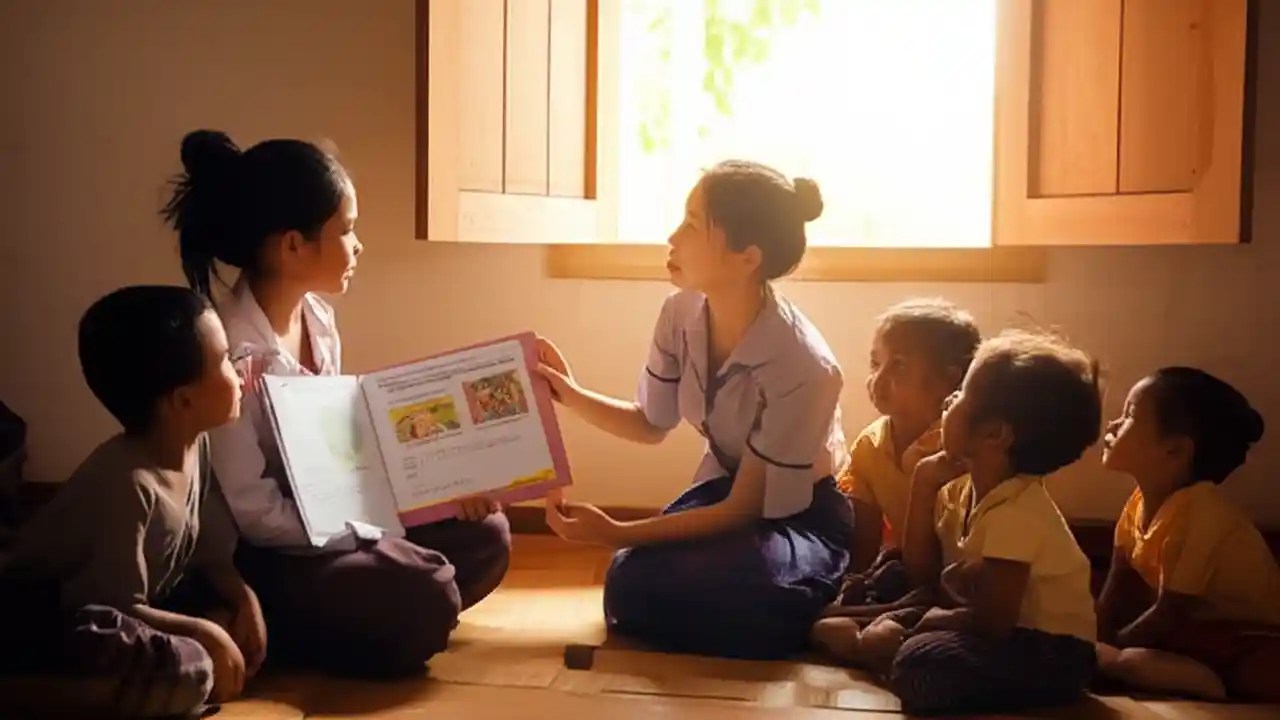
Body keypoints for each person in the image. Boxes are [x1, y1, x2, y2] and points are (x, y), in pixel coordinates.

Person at [161, 129, 510, 676]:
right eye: (346, 230)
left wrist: (431, 490)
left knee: (487, 535)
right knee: (425, 590)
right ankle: (280, 620)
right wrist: (373, 532)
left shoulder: (319, 320)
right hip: (268, 550)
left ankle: (376, 607)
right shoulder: (227, 353)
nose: (358, 246)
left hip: (335, 517)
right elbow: (256, 514)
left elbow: (341, 453)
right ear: (294, 245)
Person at [537, 160, 852, 660]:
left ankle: (819, 599)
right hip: (722, 492)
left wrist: (617, 531)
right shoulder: (679, 313)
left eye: (690, 223)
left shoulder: (805, 366)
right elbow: (649, 423)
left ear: (747, 257)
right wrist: (567, 392)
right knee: (629, 582)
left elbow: (746, 510)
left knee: (750, 587)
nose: (671, 237)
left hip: (800, 513)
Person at [0, 286, 260, 717]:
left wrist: (243, 599)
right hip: (41, 620)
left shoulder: (196, 446)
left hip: (127, 605)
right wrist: (207, 635)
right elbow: (110, 610)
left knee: (223, 616)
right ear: (183, 401)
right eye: (224, 361)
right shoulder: (127, 486)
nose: (237, 372)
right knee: (188, 668)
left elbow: (206, 557)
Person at [836, 330, 1102, 716]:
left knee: (922, 665)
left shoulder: (1018, 512)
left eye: (961, 396)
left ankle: (884, 649)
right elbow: (921, 571)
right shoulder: (963, 490)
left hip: (1045, 649)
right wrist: (924, 485)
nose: (948, 401)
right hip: (983, 621)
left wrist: (926, 623)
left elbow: (993, 621)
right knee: (893, 573)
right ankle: (874, 640)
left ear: (995, 434)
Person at [1095, 367, 1280, 702]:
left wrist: (1111, 646)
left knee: (1259, 672)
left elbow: (1171, 611)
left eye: (1129, 416)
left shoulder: (1203, 513)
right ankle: (1200, 679)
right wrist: (1091, 635)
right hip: (1191, 637)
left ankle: (1211, 681)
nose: (1112, 426)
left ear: (1176, 451)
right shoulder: (1137, 504)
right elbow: (1116, 586)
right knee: (1128, 659)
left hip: (1252, 635)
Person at [835, 298, 980, 607]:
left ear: (950, 379)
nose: (878, 379)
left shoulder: (962, 451)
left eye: (899, 366)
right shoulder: (870, 444)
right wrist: (853, 587)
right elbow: (865, 541)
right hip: (908, 572)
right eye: (876, 364)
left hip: (965, 582)